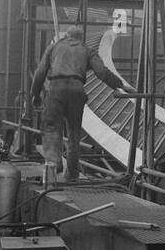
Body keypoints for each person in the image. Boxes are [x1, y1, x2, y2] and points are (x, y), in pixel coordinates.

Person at [30, 26, 130, 182]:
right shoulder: (87, 50)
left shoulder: (55, 47)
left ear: (67, 36)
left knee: (51, 128)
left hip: (56, 88)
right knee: (74, 133)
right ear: (81, 38)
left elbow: (40, 72)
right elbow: (102, 72)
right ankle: (72, 174)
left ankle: (53, 166)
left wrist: (35, 94)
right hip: (77, 90)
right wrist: (120, 85)